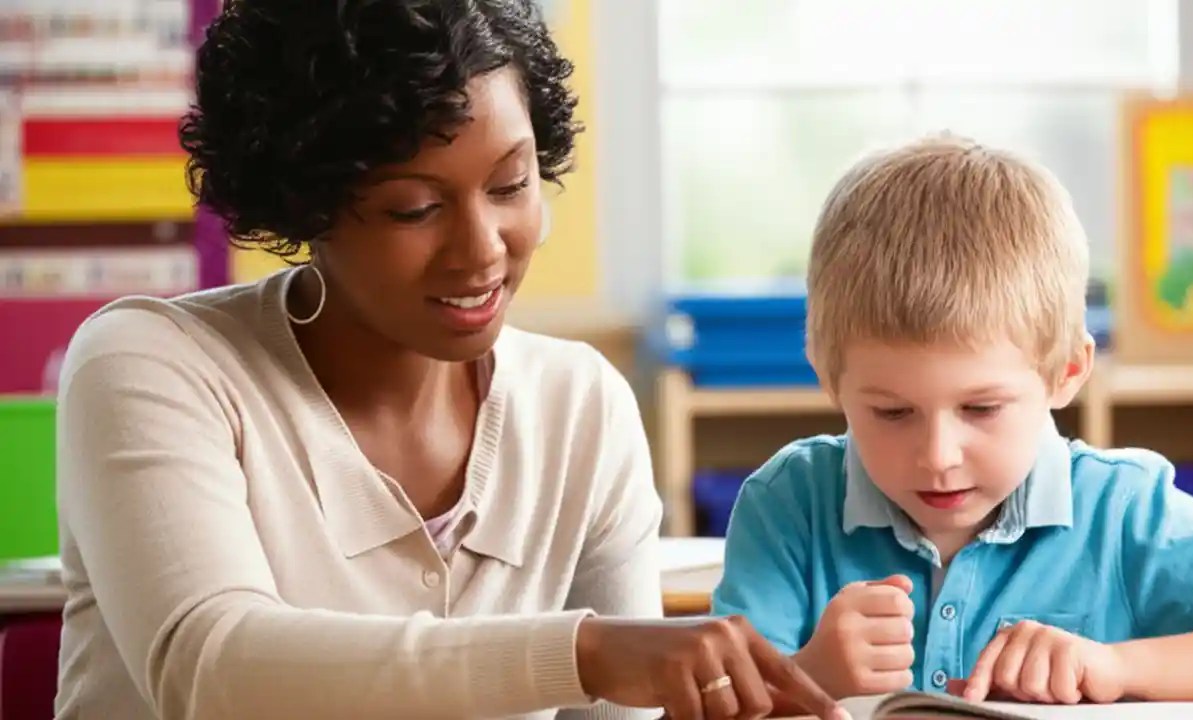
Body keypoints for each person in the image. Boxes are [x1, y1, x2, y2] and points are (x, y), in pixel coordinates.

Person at [52, 2, 846, 719]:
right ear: (308, 200)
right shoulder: (152, 364)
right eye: (415, 209)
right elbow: (213, 669)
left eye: (511, 184)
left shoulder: (579, 408)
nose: (481, 250)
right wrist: (586, 654)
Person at [711, 135, 1193, 707]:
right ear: (828, 378)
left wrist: (1117, 665)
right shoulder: (788, 505)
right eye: (892, 412)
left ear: (1067, 371)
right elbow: (716, 703)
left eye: (980, 409)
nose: (938, 455)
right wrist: (811, 675)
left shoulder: (1122, 510)